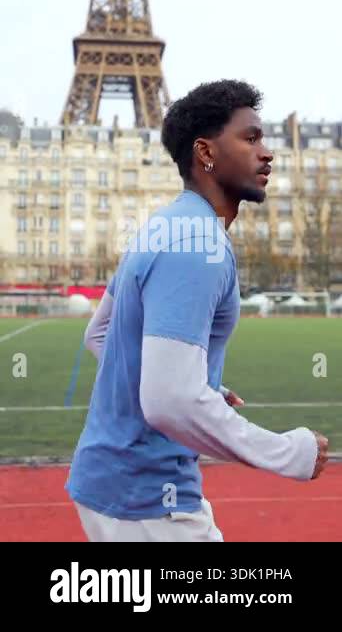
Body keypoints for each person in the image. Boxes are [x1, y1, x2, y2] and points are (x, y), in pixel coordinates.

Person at [65, 79, 329, 542]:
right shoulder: (199, 242)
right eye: (250, 138)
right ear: (205, 152)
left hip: (114, 484)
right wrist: (290, 452)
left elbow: (100, 333)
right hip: (150, 498)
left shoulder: (164, 225)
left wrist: (193, 380)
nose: (266, 153)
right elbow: (170, 400)